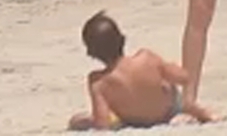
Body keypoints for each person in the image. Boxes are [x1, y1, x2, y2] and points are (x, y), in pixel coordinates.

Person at [67, 11, 213, 130]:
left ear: (91, 53)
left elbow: (102, 122)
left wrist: (93, 120)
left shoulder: (98, 82)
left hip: (134, 120)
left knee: (76, 121)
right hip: (166, 111)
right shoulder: (147, 58)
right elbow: (184, 78)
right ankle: (198, 113)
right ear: (122, 39)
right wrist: (167, 69)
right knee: (175, 96)